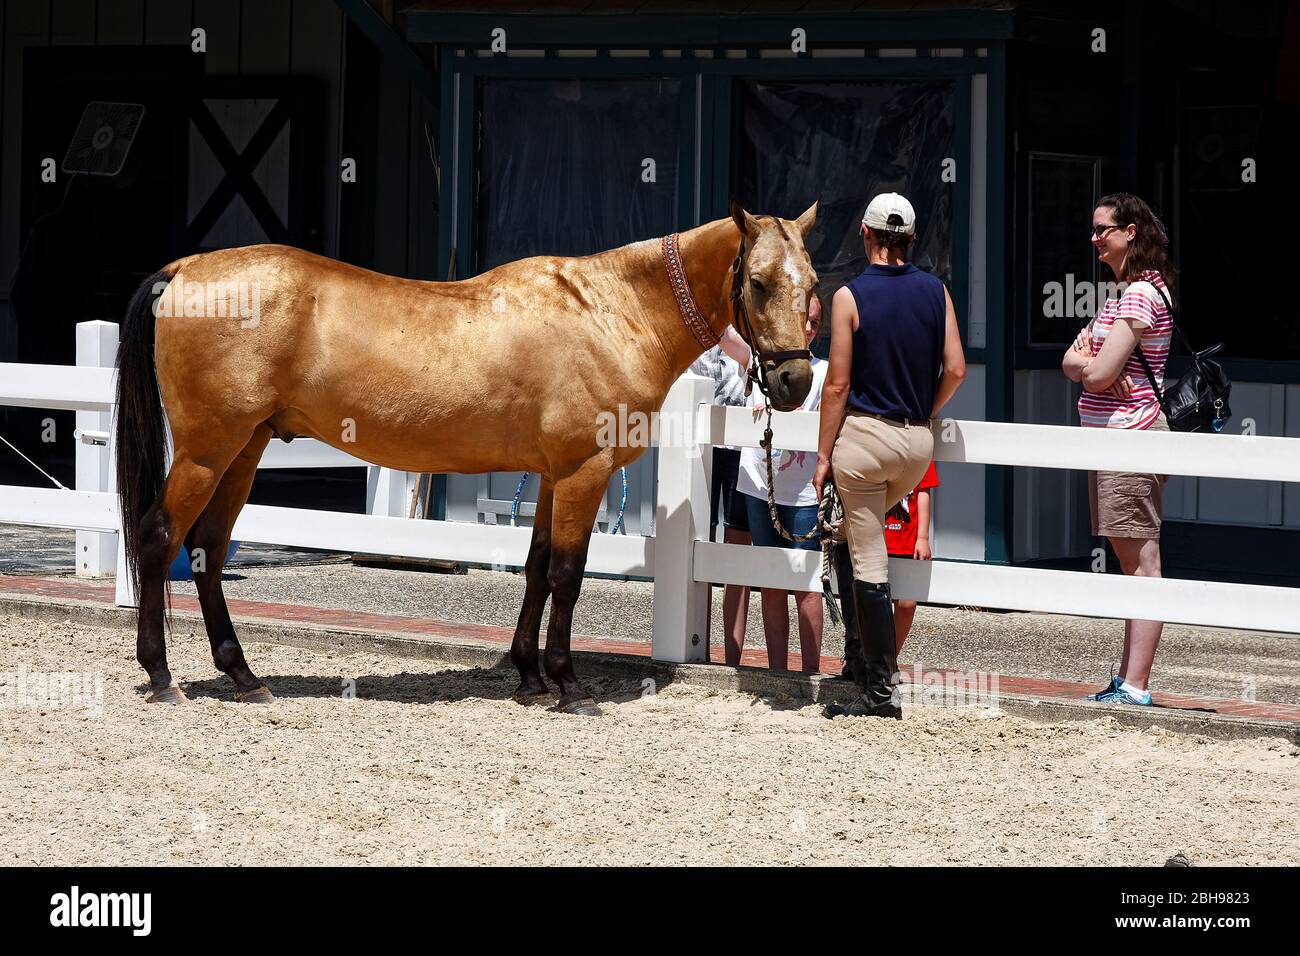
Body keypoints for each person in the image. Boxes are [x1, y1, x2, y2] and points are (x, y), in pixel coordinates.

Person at [814, 192, 966, 719]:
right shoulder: (937, 292)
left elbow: (836, 386)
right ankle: (860, 658)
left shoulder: (849, 296)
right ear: (912, 238)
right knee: (853, 539)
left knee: (870, 560)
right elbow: (956, 369)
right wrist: (925, 408)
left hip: (864, 440)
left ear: (865, 234)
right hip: (915, 446)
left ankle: (879, 690)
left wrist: (821, 456)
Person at [1061, 193, 1175, 707]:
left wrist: (1093, 368)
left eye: (1102, 229)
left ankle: (1136, 685)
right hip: (1114, 438)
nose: (1094, 238)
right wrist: (1090, 368)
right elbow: (1070, 361)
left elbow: (1098, 370)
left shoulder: (1137, 297)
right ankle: (1129, 680)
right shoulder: (1121, 295)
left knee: (1141, 562)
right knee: (1132, 560)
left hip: (1131, 436)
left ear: (1130, 232)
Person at [734, 295, 827, 673]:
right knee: (770, 583)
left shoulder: (823, 371)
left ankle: (810, 671)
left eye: (815, 322)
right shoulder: (758, 361)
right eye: (802, 318)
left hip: (803, 491)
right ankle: (776, 672)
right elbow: (725, 334)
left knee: (807, 583)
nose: (808, 328)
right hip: (759, 483)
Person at [690, 325, 757, 665]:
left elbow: (749, 357)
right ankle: (696, 647)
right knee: (697, 541)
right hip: (696, 445)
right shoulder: (689, 315)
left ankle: (733, 657)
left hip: (739, 444)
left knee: (736, 547)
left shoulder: (744, 319)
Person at [883, 461, 939, 651]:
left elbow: (924, 491)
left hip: (908, 539)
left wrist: (922, 537)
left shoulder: (919, 444)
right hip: (875, 539)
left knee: (907, 604)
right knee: (875, 602)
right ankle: (872, 659)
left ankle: (890, 657)